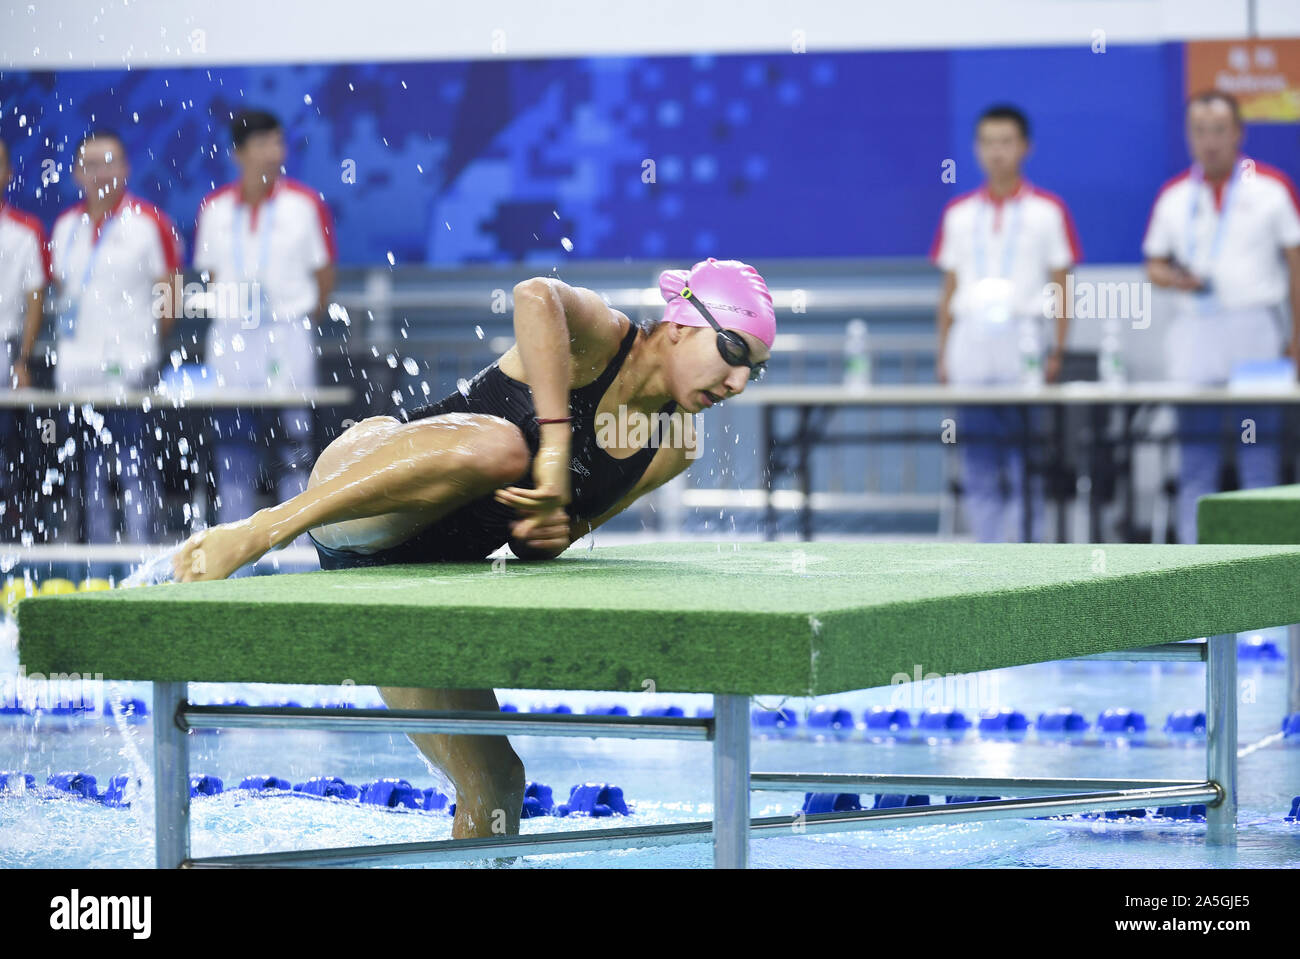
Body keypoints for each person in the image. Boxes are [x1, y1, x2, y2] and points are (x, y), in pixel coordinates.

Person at [168, 257, 775, 841]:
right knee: (502, 447)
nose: (740, 380)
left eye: (756, 368)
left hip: (406, 586)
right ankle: (259, 529)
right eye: (734, 350)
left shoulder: (672, 443)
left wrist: (556, 531)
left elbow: (544, 540)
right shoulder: (600, 336)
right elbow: (534, 294)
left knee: (498, 786)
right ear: (677, 324)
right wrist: (557, 445)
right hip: (362, 494)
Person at [1143, 90, 1300, 544]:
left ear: (1237, 133)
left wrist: (1296, 340)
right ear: (1189, 136)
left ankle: (1267, 595)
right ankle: (1196, 584)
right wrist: (1174, 277)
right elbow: (1153, 263)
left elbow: (1295, 266)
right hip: (1196, 334)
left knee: (1261, 463)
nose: (1209, 141)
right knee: (1195, 462)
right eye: (1199, 131)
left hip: (1255, 333)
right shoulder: (1173, 197)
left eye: (1219, 130)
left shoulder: (1270, 189)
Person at [932, 104, 1082, 542]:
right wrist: (944, 352)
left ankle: (1023, 561)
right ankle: (986, 557)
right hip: (971, 339)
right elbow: (949, 288)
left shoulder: (1047, 211)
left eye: (1006, 142)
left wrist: (1058, 348)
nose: (997, 152)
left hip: (1023, 337)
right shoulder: (958, 214)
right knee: (977, 459)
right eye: (988, 143)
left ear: (1024, 148)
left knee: (1026, 458)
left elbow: (1061, 284)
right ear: (977, 150)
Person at [192, 109, 336, 558]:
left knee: (294, 436)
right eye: (263, 144)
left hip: (286, 331)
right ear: (238, 153)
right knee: (232, 437)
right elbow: (210, 274)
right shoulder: (214, 209)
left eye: (278, 142)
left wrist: (299, 320)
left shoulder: (304, 204)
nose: (275, 152)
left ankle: (296, 541)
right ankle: (230, 542)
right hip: (232, 333)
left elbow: (323, 273)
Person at [49, 129, 183, 554]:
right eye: (89, 164)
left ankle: (141, 547)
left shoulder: (149, 222)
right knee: (83, 458)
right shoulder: (66, 225)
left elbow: (171, 292)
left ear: (125, 168)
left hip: (130, 359)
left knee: (132, 456)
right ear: (75, 174)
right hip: (77, 362)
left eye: (108, 162)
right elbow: (62, 291)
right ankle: (95, 552)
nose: (99, 172)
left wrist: (146, 345)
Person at [0, 135, 51, 540]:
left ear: (8, 173)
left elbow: (35, 299)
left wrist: (23, 360)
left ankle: (14, 538)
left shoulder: (25, 230)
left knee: (10, 453)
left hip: (4, 350)